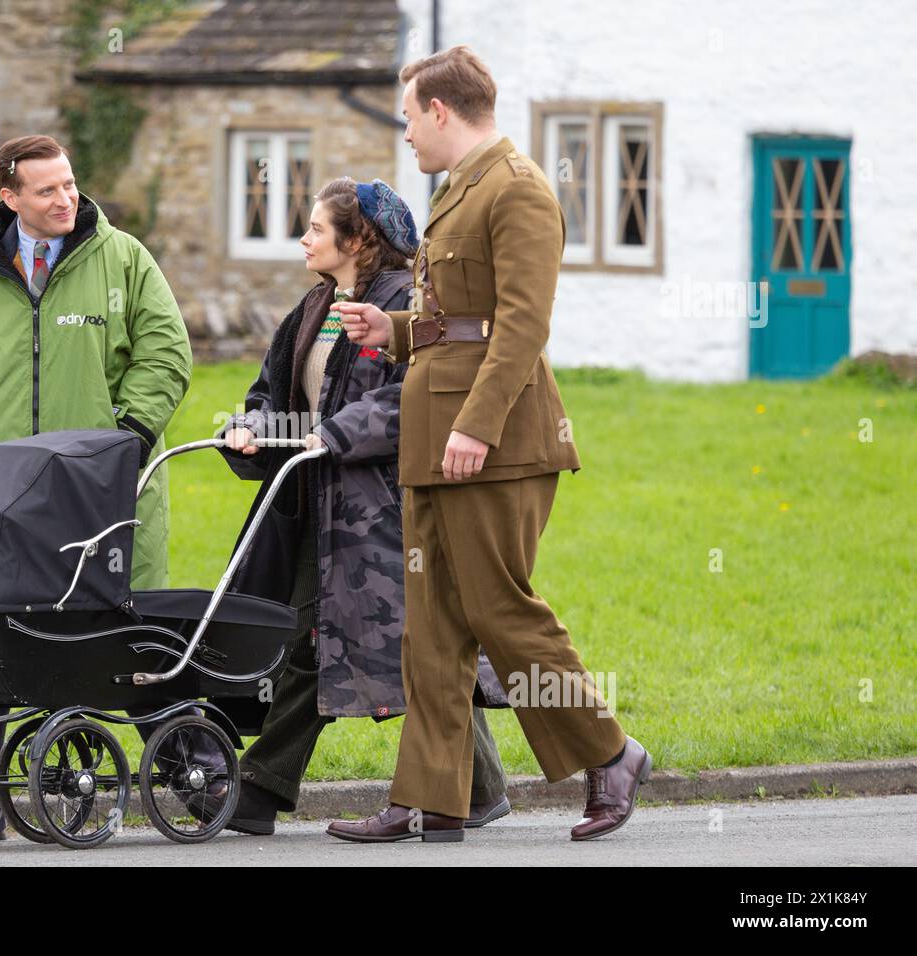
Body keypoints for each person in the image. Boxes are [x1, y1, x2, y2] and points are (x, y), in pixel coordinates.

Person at [331, 45, 652, 844]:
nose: (405, 133)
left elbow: (521, 327)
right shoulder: (458, 190)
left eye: (409, 117)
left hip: (496, 440)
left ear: (441, 110)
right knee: (432, 623)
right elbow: (458, 318)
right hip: (437, 434)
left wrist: (476, 424)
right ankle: (430, 798)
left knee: (498, 607)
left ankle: (610, 751)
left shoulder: (518, 190)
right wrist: (396, 328)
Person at [0, 134, 193, 840]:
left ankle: (196, 776)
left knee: (130, 636)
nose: (65, 198)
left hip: (107, 496)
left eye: (69, 183)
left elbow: (166, 351)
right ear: (10, 198)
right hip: (4, 501)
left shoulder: (124, 260)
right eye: (46, 189)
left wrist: (127, 438)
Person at [215, 176, 512, 836]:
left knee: (384, 641)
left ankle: (259, 791)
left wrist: (339, 432)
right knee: (358, 639)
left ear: (357, 240)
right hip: (312, 508)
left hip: (386, 514)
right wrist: (252, 427)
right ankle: (481, 786)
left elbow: (421, 398)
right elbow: (273, 391)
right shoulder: (315, 307)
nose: (304, 239)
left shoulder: (407, 307)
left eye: (316, 229)